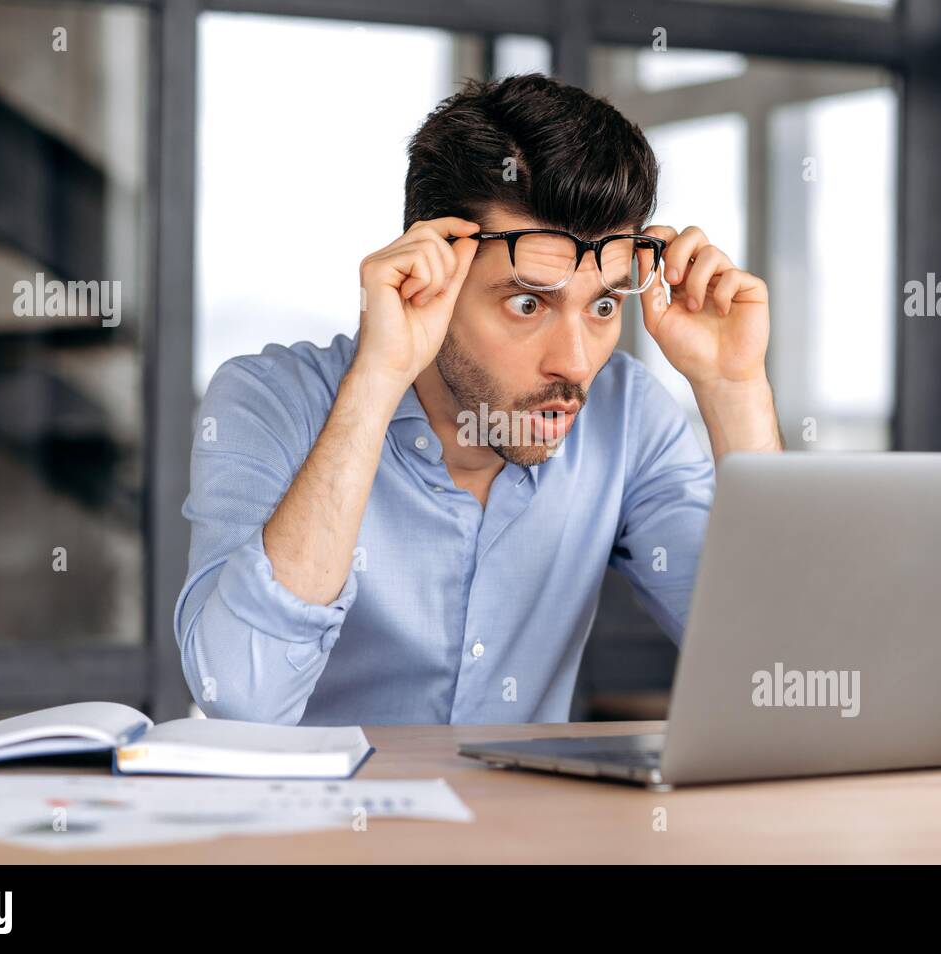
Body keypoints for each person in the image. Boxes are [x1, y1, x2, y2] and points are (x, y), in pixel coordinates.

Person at [175, 73, 782, 725]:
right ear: (428, 271)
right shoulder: (268, 401)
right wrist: (376, 382)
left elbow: (778, 676)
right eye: (528, 303)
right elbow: (241, 696)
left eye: (603, 304)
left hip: (527, 829)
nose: (575, 363)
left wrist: (733, 387)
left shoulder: (629, 418)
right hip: (319, 826)